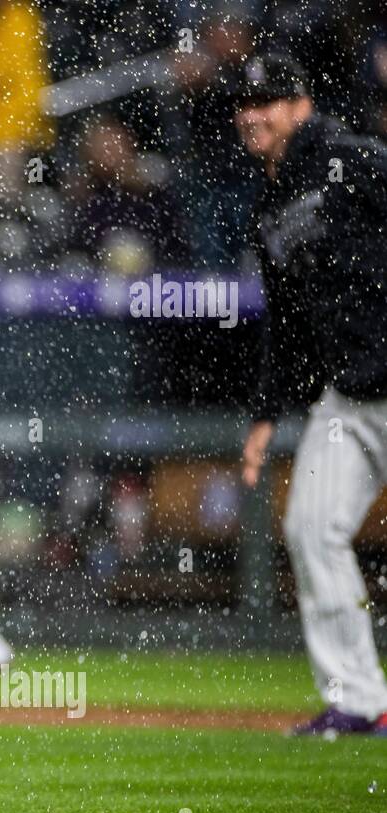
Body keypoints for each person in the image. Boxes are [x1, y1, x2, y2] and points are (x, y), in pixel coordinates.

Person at [235, 52, 387, 737]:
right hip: (348, 398)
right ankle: (358, 699)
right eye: (244, 103)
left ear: (301, 106)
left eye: (267, 101)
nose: (251, 114)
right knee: (308, 528)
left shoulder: (353, 159)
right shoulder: (268, 203)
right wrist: (267, 415)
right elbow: (287, 324)